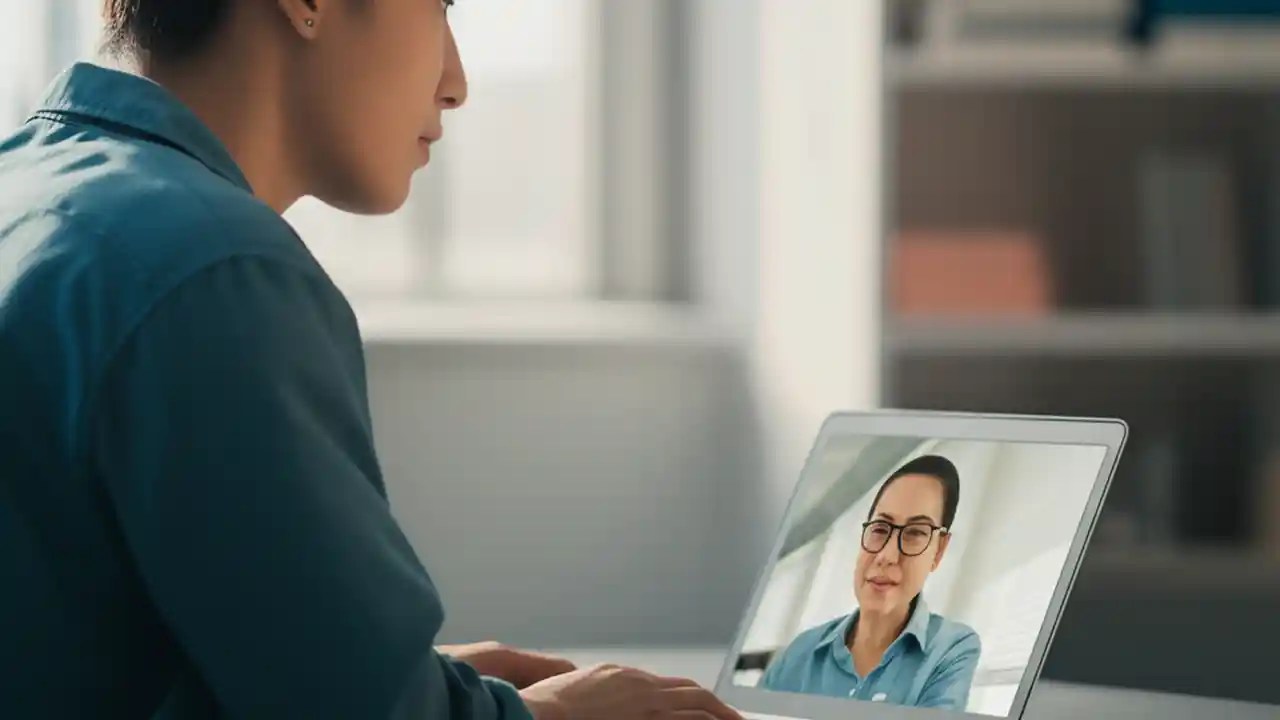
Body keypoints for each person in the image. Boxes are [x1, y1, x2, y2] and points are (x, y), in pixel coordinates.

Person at [0, 2, 742, 719]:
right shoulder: (212, 264)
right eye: (440, 5)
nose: (456, 82)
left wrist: (394, 675)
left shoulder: (29, 192)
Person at [759, 455, 982, 709]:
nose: (887, 555)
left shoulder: (951, 649)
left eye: (915, 533)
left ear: (938, 551)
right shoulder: (799, 653)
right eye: (880, 529)